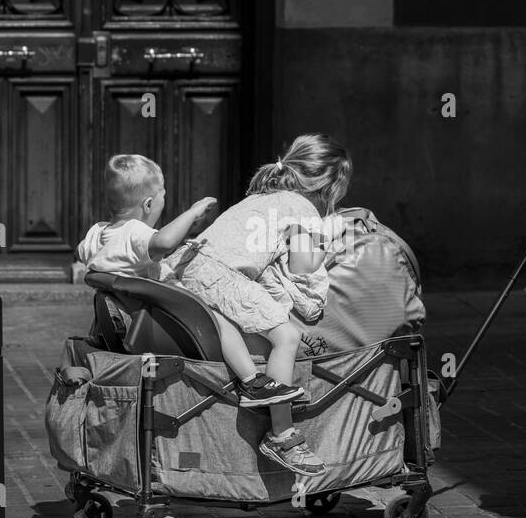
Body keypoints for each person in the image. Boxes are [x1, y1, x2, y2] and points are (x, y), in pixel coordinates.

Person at [164, 134, 353, 477]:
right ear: (328, 182)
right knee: (287, 337)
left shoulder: (263, 196)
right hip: (218, 274)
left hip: (189, 266)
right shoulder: (303, 208)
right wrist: (332, 239)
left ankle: (252, 383)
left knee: (234, 323)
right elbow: (303, 267)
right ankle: (282, 434)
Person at [78, 154, 217, 279]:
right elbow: (165, 241)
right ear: (148, 205)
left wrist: (190, 225)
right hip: (144, 306)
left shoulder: (95, 233)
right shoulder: (134, 233)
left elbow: (81, 251)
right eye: (162, 196)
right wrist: (192, 213)